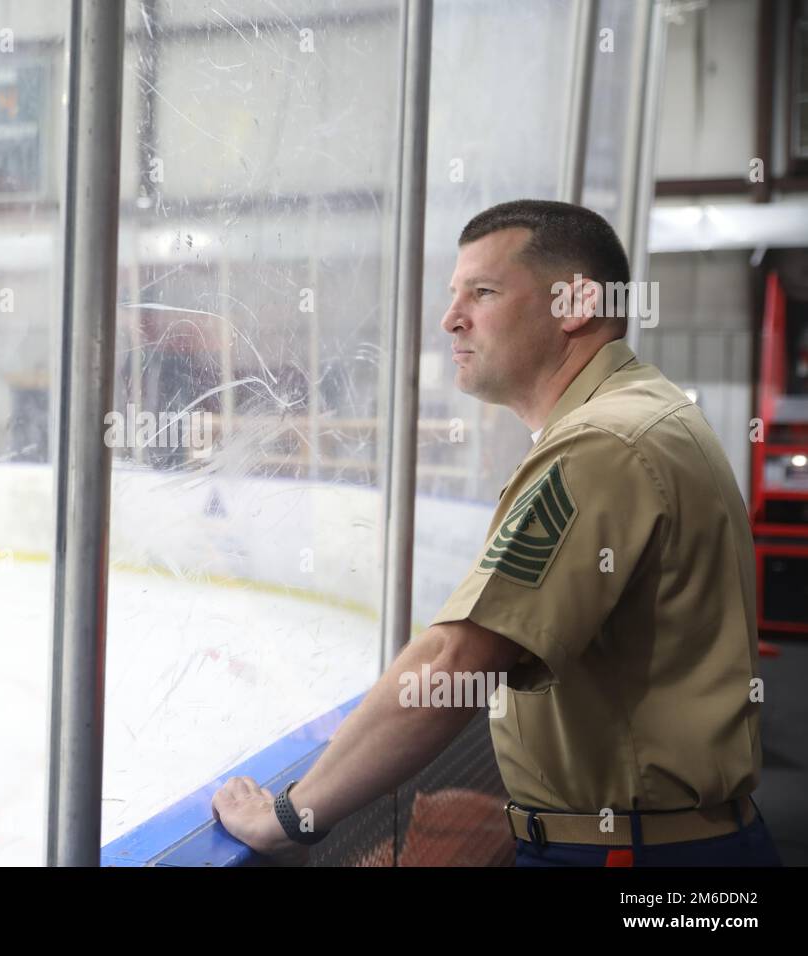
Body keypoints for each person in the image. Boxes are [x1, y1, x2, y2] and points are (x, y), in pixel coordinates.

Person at [211, 199, 781, 867]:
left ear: (575, 305)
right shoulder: (643, 412)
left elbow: (457, 662)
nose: (451, 318)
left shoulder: (601, 445)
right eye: (454, 294)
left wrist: (290, 814)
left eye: (481, 292)